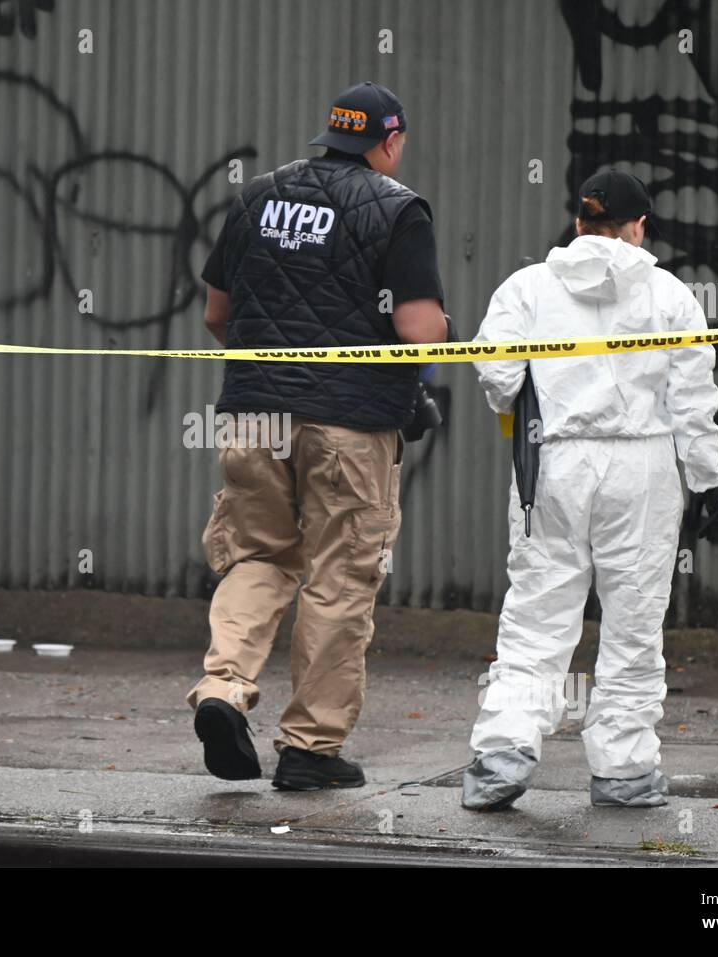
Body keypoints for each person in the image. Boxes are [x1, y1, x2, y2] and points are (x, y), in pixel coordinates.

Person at [186, 81, 448, 790]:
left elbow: (218, 313)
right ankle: (308, 747)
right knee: (338, 580)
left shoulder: (256, 196)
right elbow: (417, 331)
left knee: (258, 556)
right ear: (389, 141)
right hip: (350, 426)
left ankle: (221, 690)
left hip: (255, 414)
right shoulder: (400, 210)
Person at [462, 168, 718, 810]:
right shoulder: (671, 296)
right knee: (633, 623)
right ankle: (625, 770)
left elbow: (497, 376)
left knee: (536, 615)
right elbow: (691, 400)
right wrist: (706, 476)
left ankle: (503, 754)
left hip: (553, 464)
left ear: (578, 221)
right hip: (643, 470)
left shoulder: (526, 287)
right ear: (638, 226)